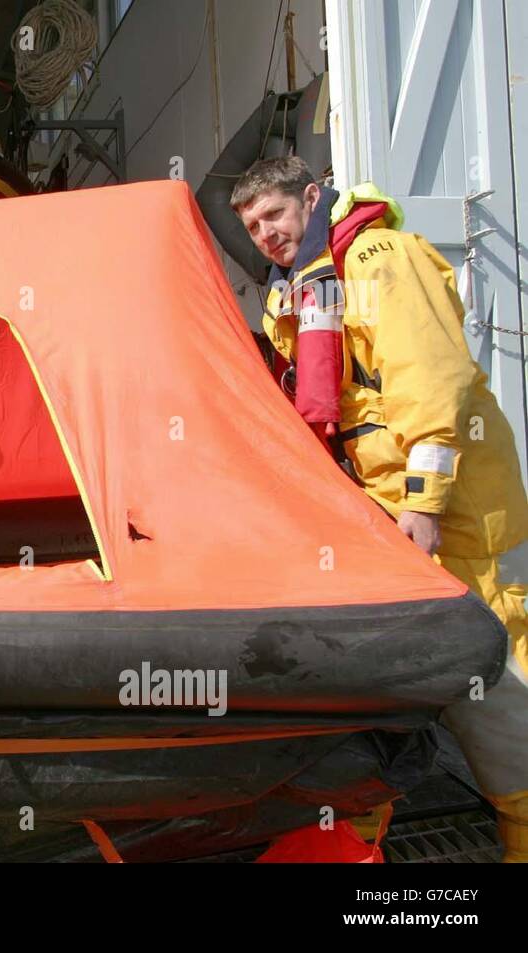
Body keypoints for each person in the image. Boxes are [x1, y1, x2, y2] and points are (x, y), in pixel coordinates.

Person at [231, 155, 528, 862]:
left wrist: (424, 505)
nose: (265, 234)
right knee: (398, 683)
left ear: (312, 196)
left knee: (501, 681)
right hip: (382, 520)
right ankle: (349, 833)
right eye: (250, 226)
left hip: (458, 520)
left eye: (273, 214)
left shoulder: (375, 259)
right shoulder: (297, 293)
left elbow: (433, 384)